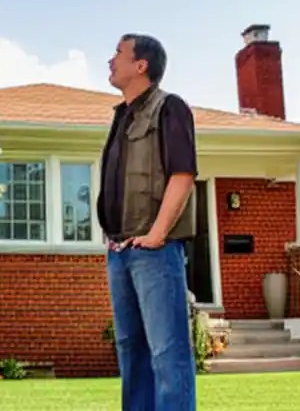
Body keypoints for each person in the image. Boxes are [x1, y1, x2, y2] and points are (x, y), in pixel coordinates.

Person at [97, 33, 198, 411]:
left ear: (141, 65)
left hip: (155, 252)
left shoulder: (169, 108)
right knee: (132, 354)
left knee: (167, 354)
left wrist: (156, 235)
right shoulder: (122, 116)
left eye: (118, 54)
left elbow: (183, 174)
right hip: (120, 250)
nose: (111, 60)